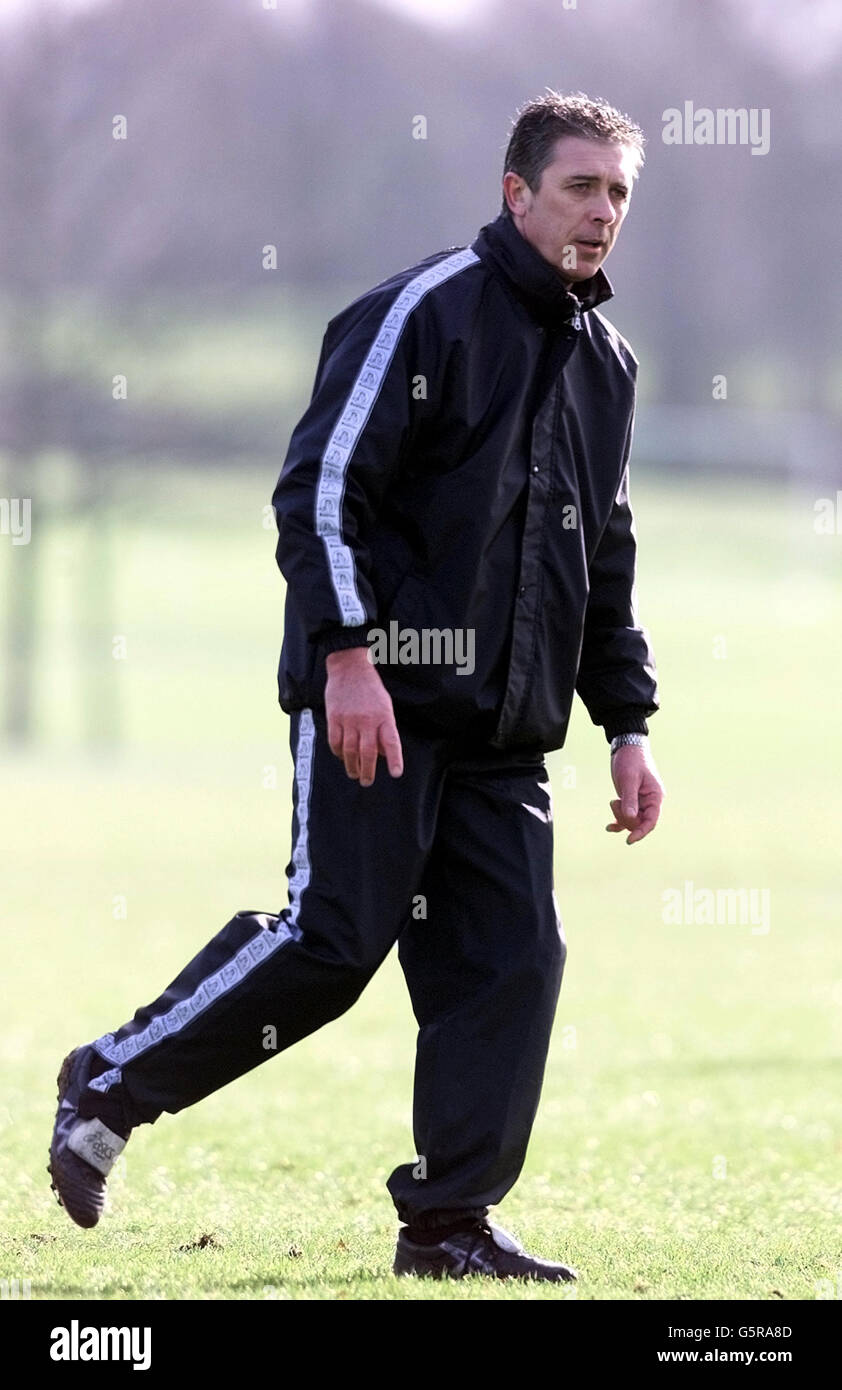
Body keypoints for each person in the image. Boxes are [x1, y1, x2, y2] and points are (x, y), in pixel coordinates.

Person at [48, 91, 665, 1284]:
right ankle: (112, 1080)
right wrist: (348, 657)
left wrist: (627, 725)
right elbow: (321, 495)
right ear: (515, 192)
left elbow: (603, 558)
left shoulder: (607, 366)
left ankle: (447, 1224)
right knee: (331, 944)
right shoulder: (421, 314)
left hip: (503, 733)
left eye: (618, 193)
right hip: (374, 700)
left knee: (513, 965)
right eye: (579, 186)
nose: (600, 213)